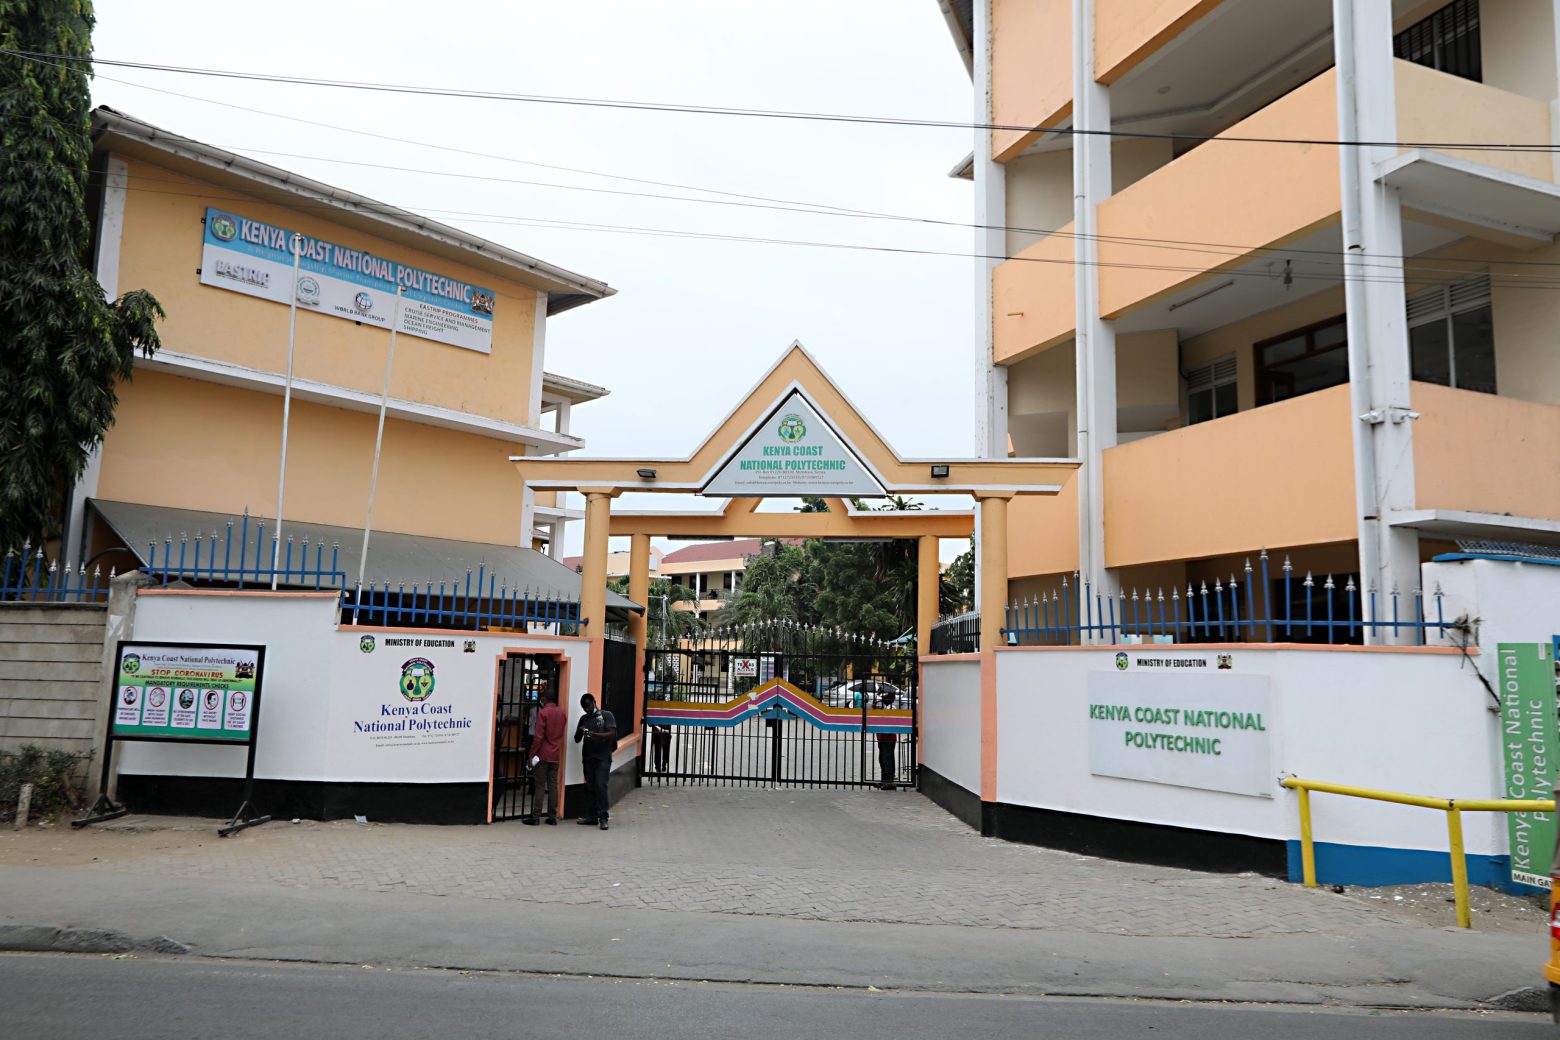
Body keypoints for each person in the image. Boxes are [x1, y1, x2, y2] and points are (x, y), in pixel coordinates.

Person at [574, 693, 618, 830]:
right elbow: (576, 739)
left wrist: (593, 734)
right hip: (588, 758)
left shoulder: (606, 715)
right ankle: (592, 817)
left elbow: (612, 734)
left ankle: (603, 818)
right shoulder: (584, 719)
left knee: (600, 786)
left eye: (588, 706)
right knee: (590, 787)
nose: (587, 709)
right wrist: (581, 732)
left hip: (603, 758)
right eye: (584, 707)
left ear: (594, 702)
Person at [522, 687, 565, 825]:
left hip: (542, 755)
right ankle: (552, 816)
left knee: (539, 784)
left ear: (544, 699)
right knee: (553, 785)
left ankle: (535, 817)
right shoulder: (562, 713)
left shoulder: (543, 713)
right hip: (555, 754)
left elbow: (538, 737)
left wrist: (531, 755)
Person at [875, 690, 899, 791]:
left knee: (887, 759)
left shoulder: (891, 708)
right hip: (882, 737)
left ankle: (889, 781)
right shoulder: (883, 707)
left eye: (886, 697)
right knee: (882, 759)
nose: (883, 699)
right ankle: (884, 779)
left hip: (888, 738)